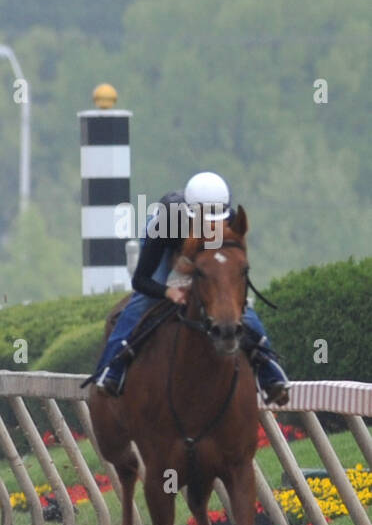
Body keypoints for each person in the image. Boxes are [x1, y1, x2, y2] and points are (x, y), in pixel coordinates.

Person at [92, 171, 289, 405]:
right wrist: (168, 291)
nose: (212, 226)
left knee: (238, 306)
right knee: (143, 302)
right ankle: (112, 369)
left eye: (217, 220)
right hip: (165, 242)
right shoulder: (169, 221)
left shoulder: (230, 220)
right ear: (191, 213)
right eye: (206, 220)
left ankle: (270, 371)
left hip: (199, 255)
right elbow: (141, 280)